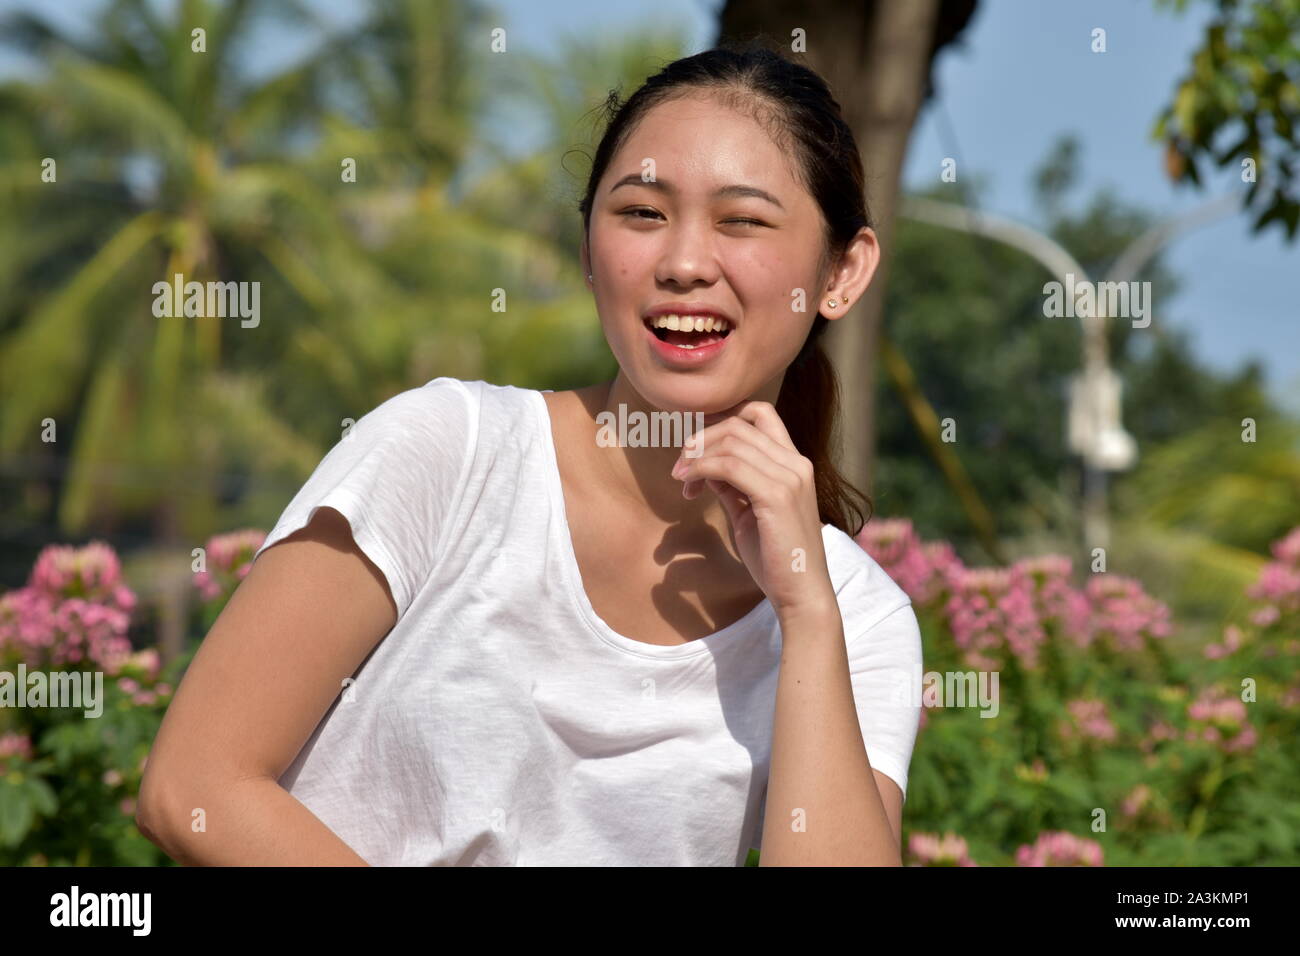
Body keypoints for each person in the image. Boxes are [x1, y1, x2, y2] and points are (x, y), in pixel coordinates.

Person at [136, 40, 923, 867]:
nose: (685, 263)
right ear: (588, 249)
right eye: (642, 214)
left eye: (743, 221)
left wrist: (803, 610)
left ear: (842, 271)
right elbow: (194, 786)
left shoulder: (856, 619)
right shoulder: (450, 452)